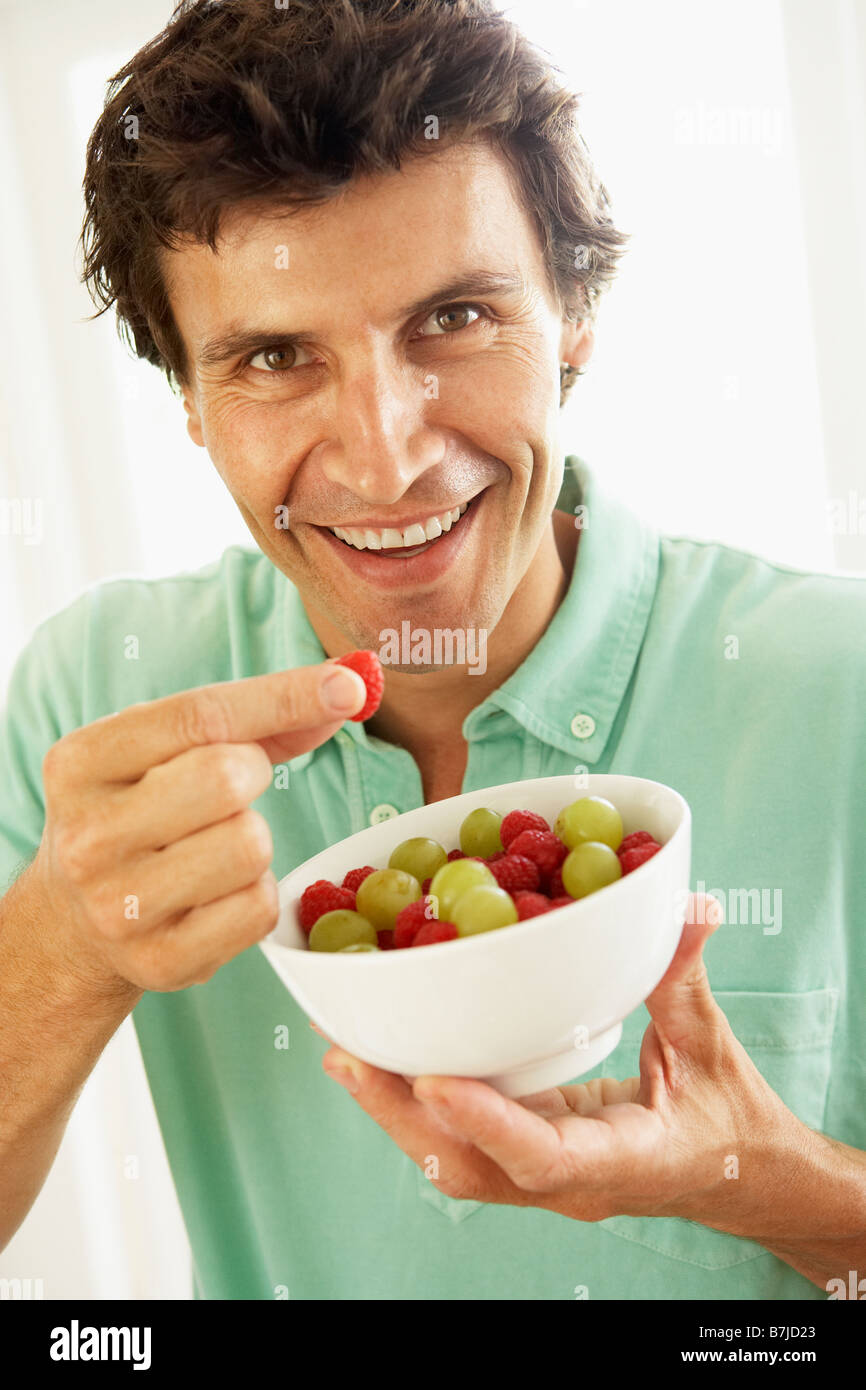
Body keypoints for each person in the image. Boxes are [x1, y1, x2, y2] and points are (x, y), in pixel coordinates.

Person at [1, 0, 864, 1301]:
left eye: (454, 319)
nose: (385, 454)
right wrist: (63, 942)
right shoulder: (98, 700)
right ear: (184, 397)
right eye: (277, 356)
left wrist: (766, 1183)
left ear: (573, 319)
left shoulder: (834, 685)